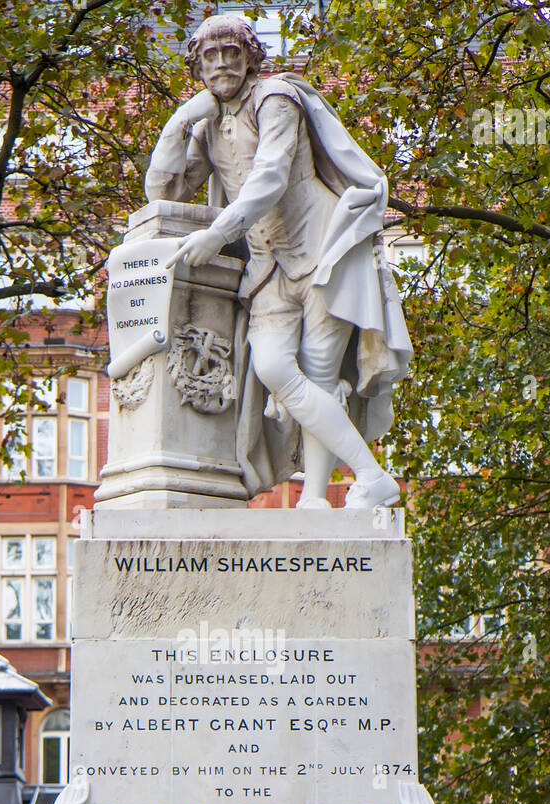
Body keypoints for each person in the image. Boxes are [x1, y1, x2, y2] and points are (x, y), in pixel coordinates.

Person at [148, 14, 412, 510]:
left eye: (232, 52)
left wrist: (219, 233)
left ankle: (313, 500)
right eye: (211, 56)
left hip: (323, 252)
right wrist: (180, 121)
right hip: (268, 267)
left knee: (316, 376)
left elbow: (269, 176)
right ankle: (371, 474)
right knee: (273, 367)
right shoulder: (206, 124)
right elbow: (163, 193)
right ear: (198, 67)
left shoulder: (275, 98)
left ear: (250, 56)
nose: (223, 63)